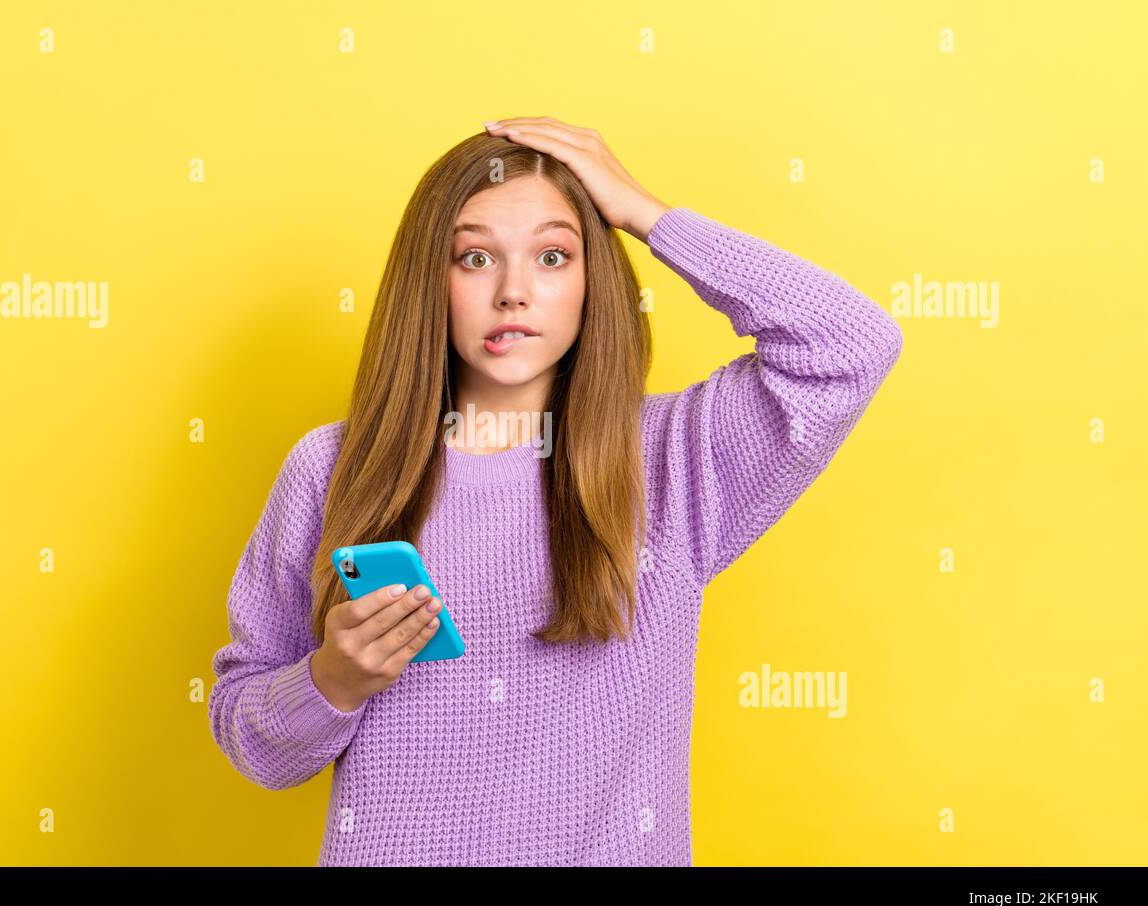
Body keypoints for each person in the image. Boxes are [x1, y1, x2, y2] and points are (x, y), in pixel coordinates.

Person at [207, 116, 903, 866]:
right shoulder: (335, 468)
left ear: (591, 278)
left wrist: (644, 214)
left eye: (552, 255)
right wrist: (332, 680)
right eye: (475, 258)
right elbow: (254, 744)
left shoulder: (671, 459)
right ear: (429, 283)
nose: (514, 292)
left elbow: (852, 346)